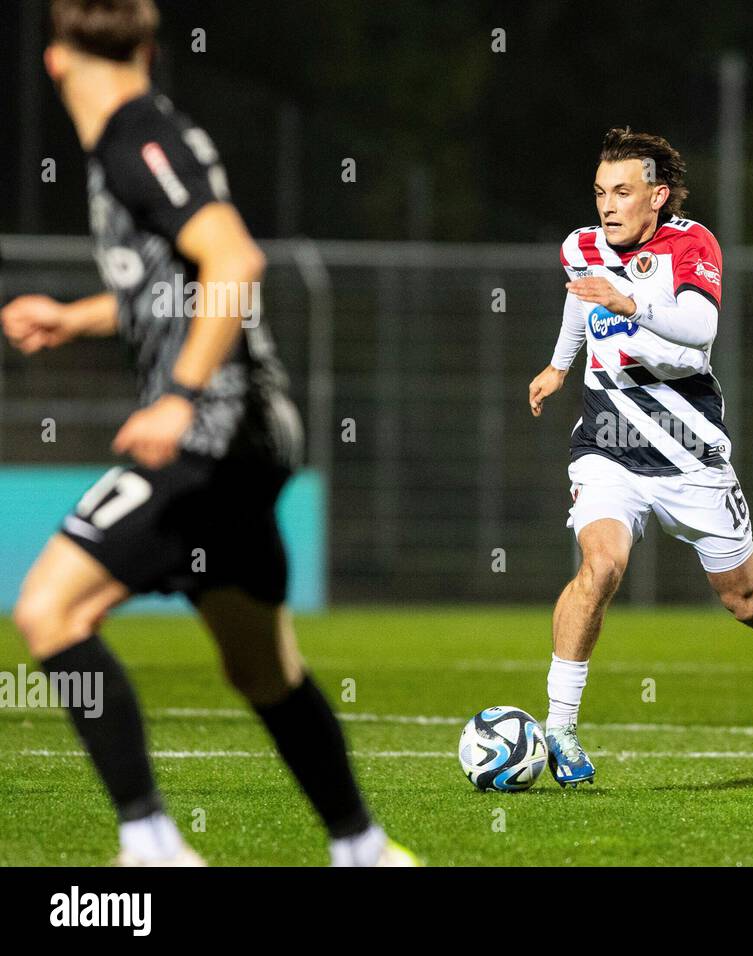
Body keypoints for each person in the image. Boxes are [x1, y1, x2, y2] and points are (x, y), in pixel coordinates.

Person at [1, 0, 414, 865]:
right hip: (248, 438)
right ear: (149, 48)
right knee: (262, 671)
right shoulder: (146, 136)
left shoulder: (133, 136)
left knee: (49, 611)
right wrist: (75, 319)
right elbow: (170, 285)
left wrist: (180, 396)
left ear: (53, 59)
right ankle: (365, 851)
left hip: (216, 432)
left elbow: (234, 260)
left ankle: (151, 845)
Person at [527, 127, 753, 787]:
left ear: (658, 196)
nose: (607, 206)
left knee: (748, 600)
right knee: (601, 566)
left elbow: (698, 329)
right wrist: (560, 366)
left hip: (693, 459)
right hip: (608, 449)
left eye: (623, 192)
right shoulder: (582, 247)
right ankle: (560, 731)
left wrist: (631, 302)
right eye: (600, 192)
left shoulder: (691, 246)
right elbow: (578, 293)